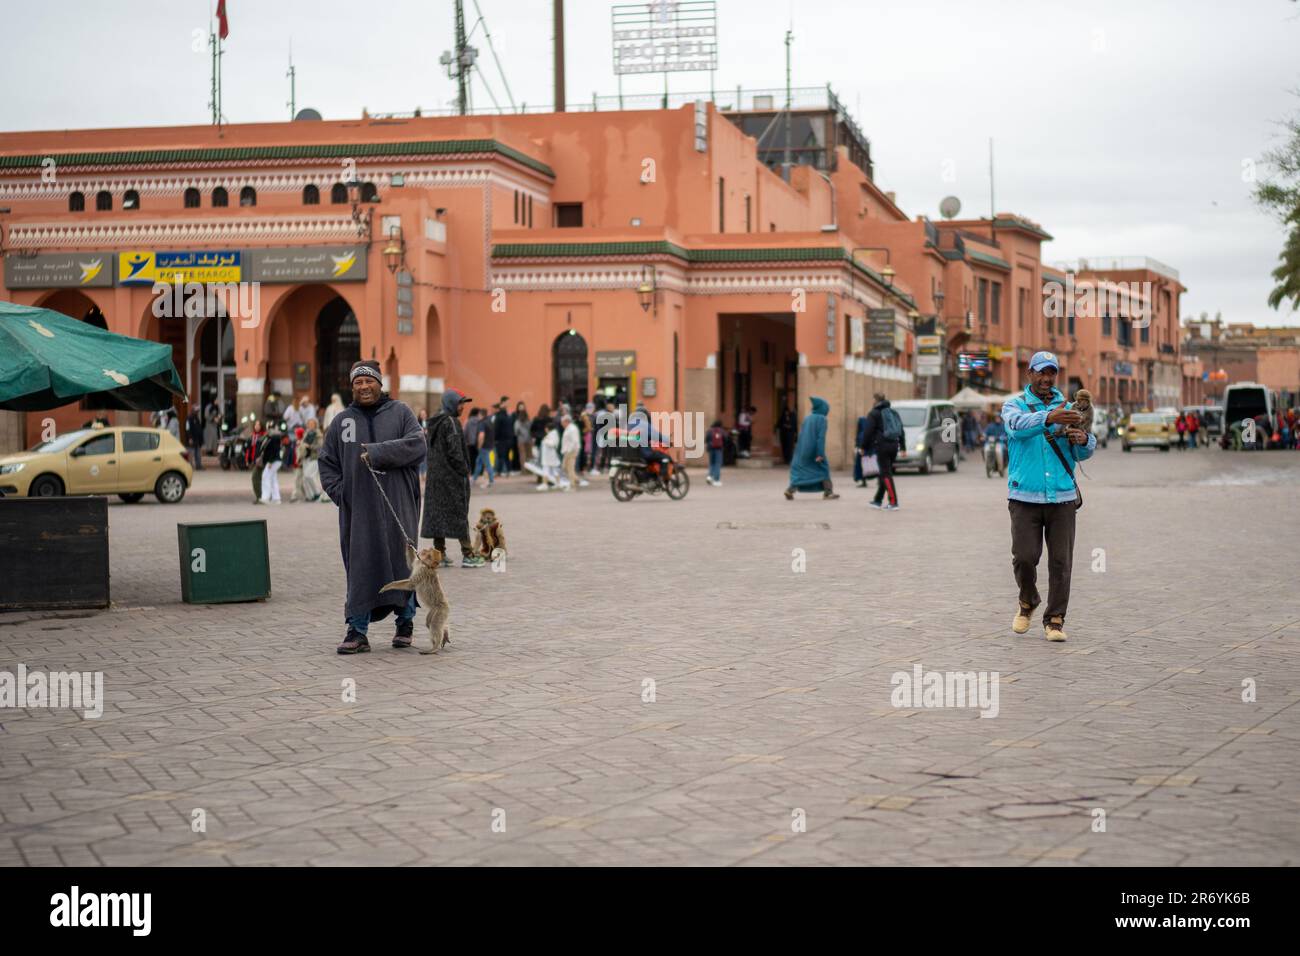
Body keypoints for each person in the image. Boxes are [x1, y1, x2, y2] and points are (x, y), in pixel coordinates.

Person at [319, 361, 428, 653]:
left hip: (398, 506)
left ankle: (405, 622)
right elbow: (327, 463)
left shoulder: (401, 413)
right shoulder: (343, 422)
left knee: (401, 562)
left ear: (380, 384)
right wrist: (343, 493)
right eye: (358, 383)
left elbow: (418, 446)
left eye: (369, 381)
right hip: (359, 512)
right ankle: (357, 629)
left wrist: (378, 452)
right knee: (361, 566)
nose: (364, 387)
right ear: (351, 387)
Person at [1002, 351, 1095, 643]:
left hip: (1063, 498)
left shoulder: (1070, 407)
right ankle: (1027, 600)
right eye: (1040, 372)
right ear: (1029, 373)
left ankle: (1055, 619)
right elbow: (1017, 429)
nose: (1046, 378)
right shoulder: (1014, 404)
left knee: (1061, 562)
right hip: (1024, 497)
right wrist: (1048, 417)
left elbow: (1082, 452)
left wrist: (1084, 440)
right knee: (1025, 558)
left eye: (1051, 373)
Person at [422, 388, 485, 568]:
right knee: (459, 513)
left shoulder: (435, 421)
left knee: (438, 514)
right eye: (460, 403)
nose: (463, 407)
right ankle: (468, 554)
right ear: (451, 403)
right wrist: (464, 470)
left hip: (436, 477)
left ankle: (439, 553)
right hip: (450, 476)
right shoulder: (451, 422)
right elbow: (455, 451)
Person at [783, 396, 838, 500]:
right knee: (823, 469)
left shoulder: (807, 418)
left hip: (802, 450)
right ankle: (828, 492)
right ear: (823, 408)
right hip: (814, 450)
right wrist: (820, 454)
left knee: (802, 471)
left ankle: (790, 489)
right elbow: (820, 438)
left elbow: (801, 435)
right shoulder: (822, 419)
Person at [858, 392, 902, 510]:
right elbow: (901, 429)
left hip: (883, 446)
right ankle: (877, 500)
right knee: (885, 473)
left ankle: (893, 502)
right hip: (894, 445)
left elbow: (868, 432)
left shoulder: (874, 414)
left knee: (886, 474)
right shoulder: (893, 412)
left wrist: (863, 447)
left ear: (875, 400)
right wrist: (903, 446)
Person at [469, 408, 494, 487]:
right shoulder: (489, 422)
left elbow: (481, 436)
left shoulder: (482, 423)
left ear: (481, 415)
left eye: (479, 415)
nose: (478, 416)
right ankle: (474, 478)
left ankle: (491, 480)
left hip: (483, 447)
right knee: (478, 462)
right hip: (489, 445)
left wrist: (479, 446)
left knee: (487, 464)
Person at [300, 417, 324, 501]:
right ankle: (310, 496)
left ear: (315, 425)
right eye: (309, 424)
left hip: (314, 457)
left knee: (309, 475)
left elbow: (320, 446)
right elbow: (302, 444)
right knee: (305, 478)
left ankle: (317, 493)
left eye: (312, 424)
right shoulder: (306, 433)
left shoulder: (318, 434)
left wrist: (310, 446)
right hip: (305, 457)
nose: (310, 425)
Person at [258, 426, 283, 504]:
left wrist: (270, 462)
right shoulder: (270, 438)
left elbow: (274, 451)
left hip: (273, 461)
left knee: (266, 477)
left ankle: (265, 497)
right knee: (272, 479)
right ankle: (276, 498)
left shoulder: (274, 438)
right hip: (274, 461)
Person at [560, 413, 583, 491]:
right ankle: (576, 479)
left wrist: (569, 451)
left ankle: (572, 485)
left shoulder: (572, 429)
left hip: (571, 451)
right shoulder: (569, 428)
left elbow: (574, 441)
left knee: (570, 468)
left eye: (562, 422)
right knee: (565, 467)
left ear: (566, 421)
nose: (562, 424)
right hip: (568, 450)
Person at [492, 398, 515, 475]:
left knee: (503, 456)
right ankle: (504, 471)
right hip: (504, 439)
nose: (508, 404)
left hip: (504, 440)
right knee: (504, 456)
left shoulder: (504, 416)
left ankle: (503, 471)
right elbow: (497, 428)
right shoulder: (503, 416)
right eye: (506, 403)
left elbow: (498, 429)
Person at [705, 419, 726, 486]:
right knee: (717, 464)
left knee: (712, 463)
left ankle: (710, 477)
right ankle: (716, 480)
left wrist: (709, 444)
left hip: (711, 449)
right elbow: (726, 438)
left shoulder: (710, 431)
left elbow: (706, 439)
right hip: (719, 449)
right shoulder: (721, 431)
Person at [186, 405, 205, 470]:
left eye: (197, 411)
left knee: (198, 453)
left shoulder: (197, 418)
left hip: (197, 439)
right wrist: (190, 438)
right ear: (193, 410)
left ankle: (198, 465)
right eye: (196, 410)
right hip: (192, 438)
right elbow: (188, 429)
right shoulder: (189, 418)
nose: (197, 412)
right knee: (191, 453)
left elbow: (199, 428)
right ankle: (190, 466)